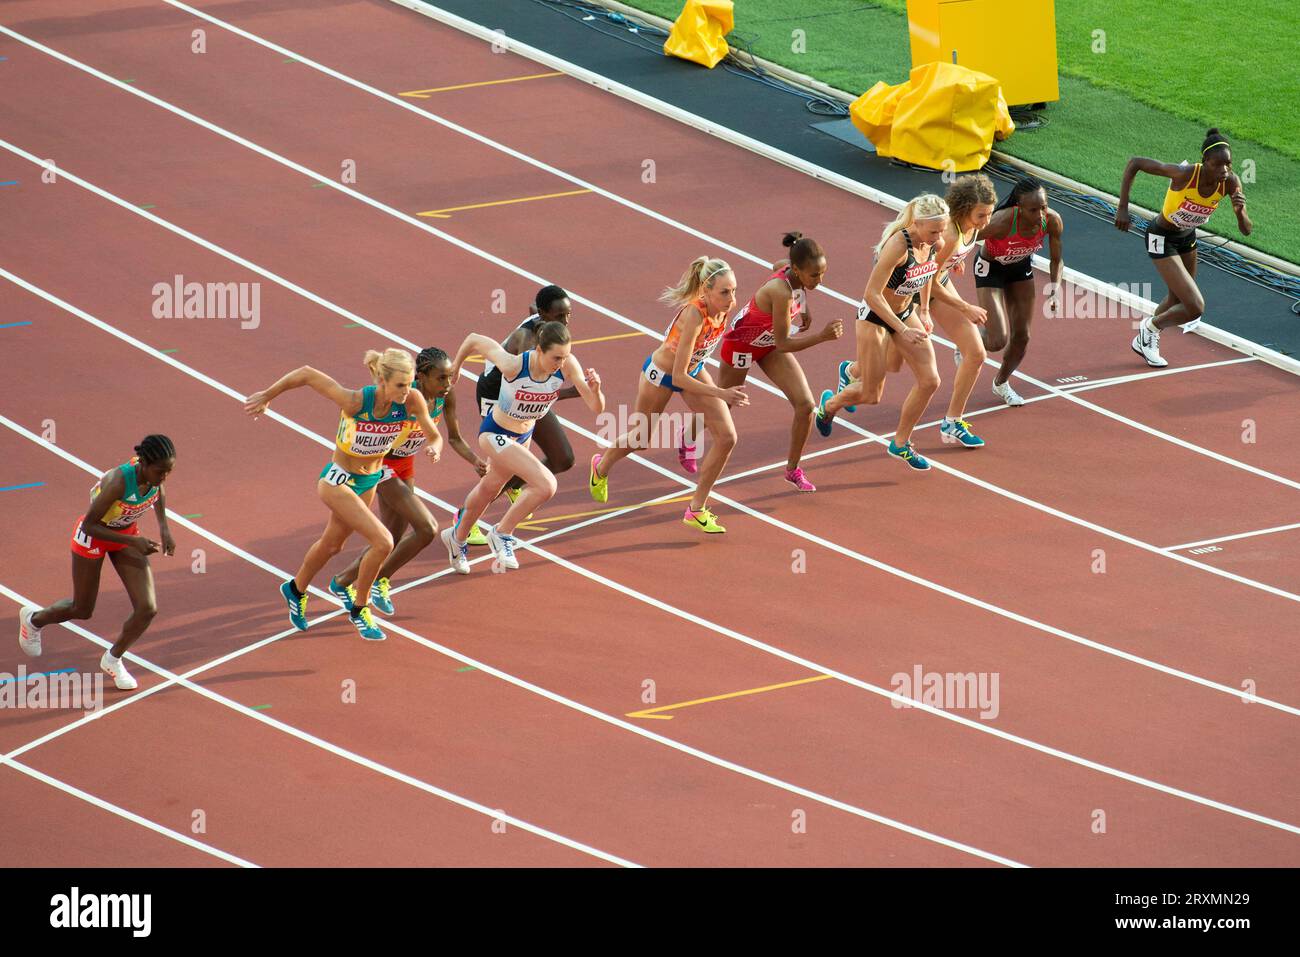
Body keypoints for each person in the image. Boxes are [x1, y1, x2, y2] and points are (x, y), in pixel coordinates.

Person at [243, 349, 445, 641]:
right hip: (338, 481)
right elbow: (306, 372)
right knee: (383, 541)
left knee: (332, 545)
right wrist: (268, 395)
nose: (407, 390)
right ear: (382, 381)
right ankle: (360, 610)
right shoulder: (355, 401)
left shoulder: (412, 400)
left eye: (410, 382)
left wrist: (435, 446)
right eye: (401, 385)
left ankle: (295, 589)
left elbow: (433, 433)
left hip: (369, 480)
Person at [588, 257, 750, 533]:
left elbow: (692, 366)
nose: (732, 298)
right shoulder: (694, 315)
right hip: (661, 376)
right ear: (706, 291)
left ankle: (696, 509)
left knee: (727, 437)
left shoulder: (723, 311)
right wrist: (721, 392)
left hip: (692, 371)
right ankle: (601, 466)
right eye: (725, 292)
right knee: (640, 440)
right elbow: (678, 377)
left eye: (734, 290)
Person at [836, 176, 994, 446]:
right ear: (965, 208)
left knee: (895, 363)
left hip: (930, 285)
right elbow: (928, 279)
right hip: (925, 291)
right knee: (973, 353)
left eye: (990, 214)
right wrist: (962, 307)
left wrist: (954, 262)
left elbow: (938, 265)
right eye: (981, 215)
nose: (986, 221)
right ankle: (950, 422)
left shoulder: (969, 229)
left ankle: (853, 371)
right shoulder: (949, 234)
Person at [329, 347, 486, 615]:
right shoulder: (403, 395)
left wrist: (475, 461)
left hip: (405, 465)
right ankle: (380, 579)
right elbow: (369, 413)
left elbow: (454, 438)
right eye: (440, 378)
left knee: (389, 538)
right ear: (421, 377)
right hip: (381, 465)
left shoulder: (444, 397)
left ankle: (342, 581)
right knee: (427, 528)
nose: (447, 384)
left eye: (449, 378)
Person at [443, 321, 604, 573]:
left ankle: (456, 537)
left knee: (490, 488)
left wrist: (596, 390)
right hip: (494, 433)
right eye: (555, 358)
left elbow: (596, 407)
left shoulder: (568, 365)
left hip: (523, 434)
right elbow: (474, 337)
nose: (560, 364)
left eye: (565, 357)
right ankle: (502, 532)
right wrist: (456, 367)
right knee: (546, 485)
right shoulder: (514, 365)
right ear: (539, 350)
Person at [19, 435, 177, 691]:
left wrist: (164, 529)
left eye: (169, 471)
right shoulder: (118, 482)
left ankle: (112, 660)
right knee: (83, 609)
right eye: (160, 471)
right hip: (92, 537)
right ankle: (34, 620)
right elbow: (89, 525)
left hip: (125, 537)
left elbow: (158, 491)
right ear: (145, 464)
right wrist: (134, 543)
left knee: (147, 608)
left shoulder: (154, 477)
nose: (164, 477)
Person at [816, 195, 947, 470]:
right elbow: (872, 294)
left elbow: (928, 274)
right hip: (875, 317)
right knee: (871, 395)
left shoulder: (935, 243)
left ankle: (900, 443)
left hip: (904, 313)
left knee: (930, 380)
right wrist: (901, 329)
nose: (939, 236)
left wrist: (923, 311)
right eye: (934, 230)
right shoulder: (899, 245)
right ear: (918, 223)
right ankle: (829, 406)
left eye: (942, 229)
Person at [716, 233, 843, 491]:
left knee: (806, 405)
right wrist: (822, 336)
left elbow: (781, 269)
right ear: (797, 269)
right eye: (814, 275)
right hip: (742, 346)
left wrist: (805, 308)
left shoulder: (790, 272)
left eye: (822, 273)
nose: (820, 280)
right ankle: (689, 435)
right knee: (722, 408)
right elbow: (784, 343)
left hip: (768, 345)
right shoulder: (780, 292)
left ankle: (792, 469)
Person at [1117, 128, 1251, 367]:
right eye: (1218, 165)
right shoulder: (1184, 174)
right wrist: (1123, 207)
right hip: (1161, 237)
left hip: (1187, 238)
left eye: (1228, 164)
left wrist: (1240, 213)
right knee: (1195, 307)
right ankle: (1149, 328)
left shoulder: (1230, 182)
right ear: (1204, 162)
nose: (1224, 170)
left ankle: (1145, 339)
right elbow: (1135, 163)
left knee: (1177, 298)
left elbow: (1246, 230)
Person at [475, 285, 577, 518]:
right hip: (497, 396)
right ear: (542, 313)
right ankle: (466, 517)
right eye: (559, 315)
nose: (566, 320)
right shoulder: (528, 340)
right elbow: (531, 390)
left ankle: (514, 487)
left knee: (563, 458)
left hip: (527, 397)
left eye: (568, 314)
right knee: (502, 471)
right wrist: (573, 392)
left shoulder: (551, 330)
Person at [972, 177, 1065, 406]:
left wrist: (1054, 290)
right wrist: (952, 259)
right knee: (997, 340)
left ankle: (1001, 383)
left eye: (1043, 207)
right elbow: (966, 234)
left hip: (1019, 268)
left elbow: (1057, 261)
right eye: (1033, 210)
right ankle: (968, 338)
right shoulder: (1002, 221)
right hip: (991, 269)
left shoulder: (1052, 221)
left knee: (1022, 336)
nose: (1040, 215)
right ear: (1019, 208)